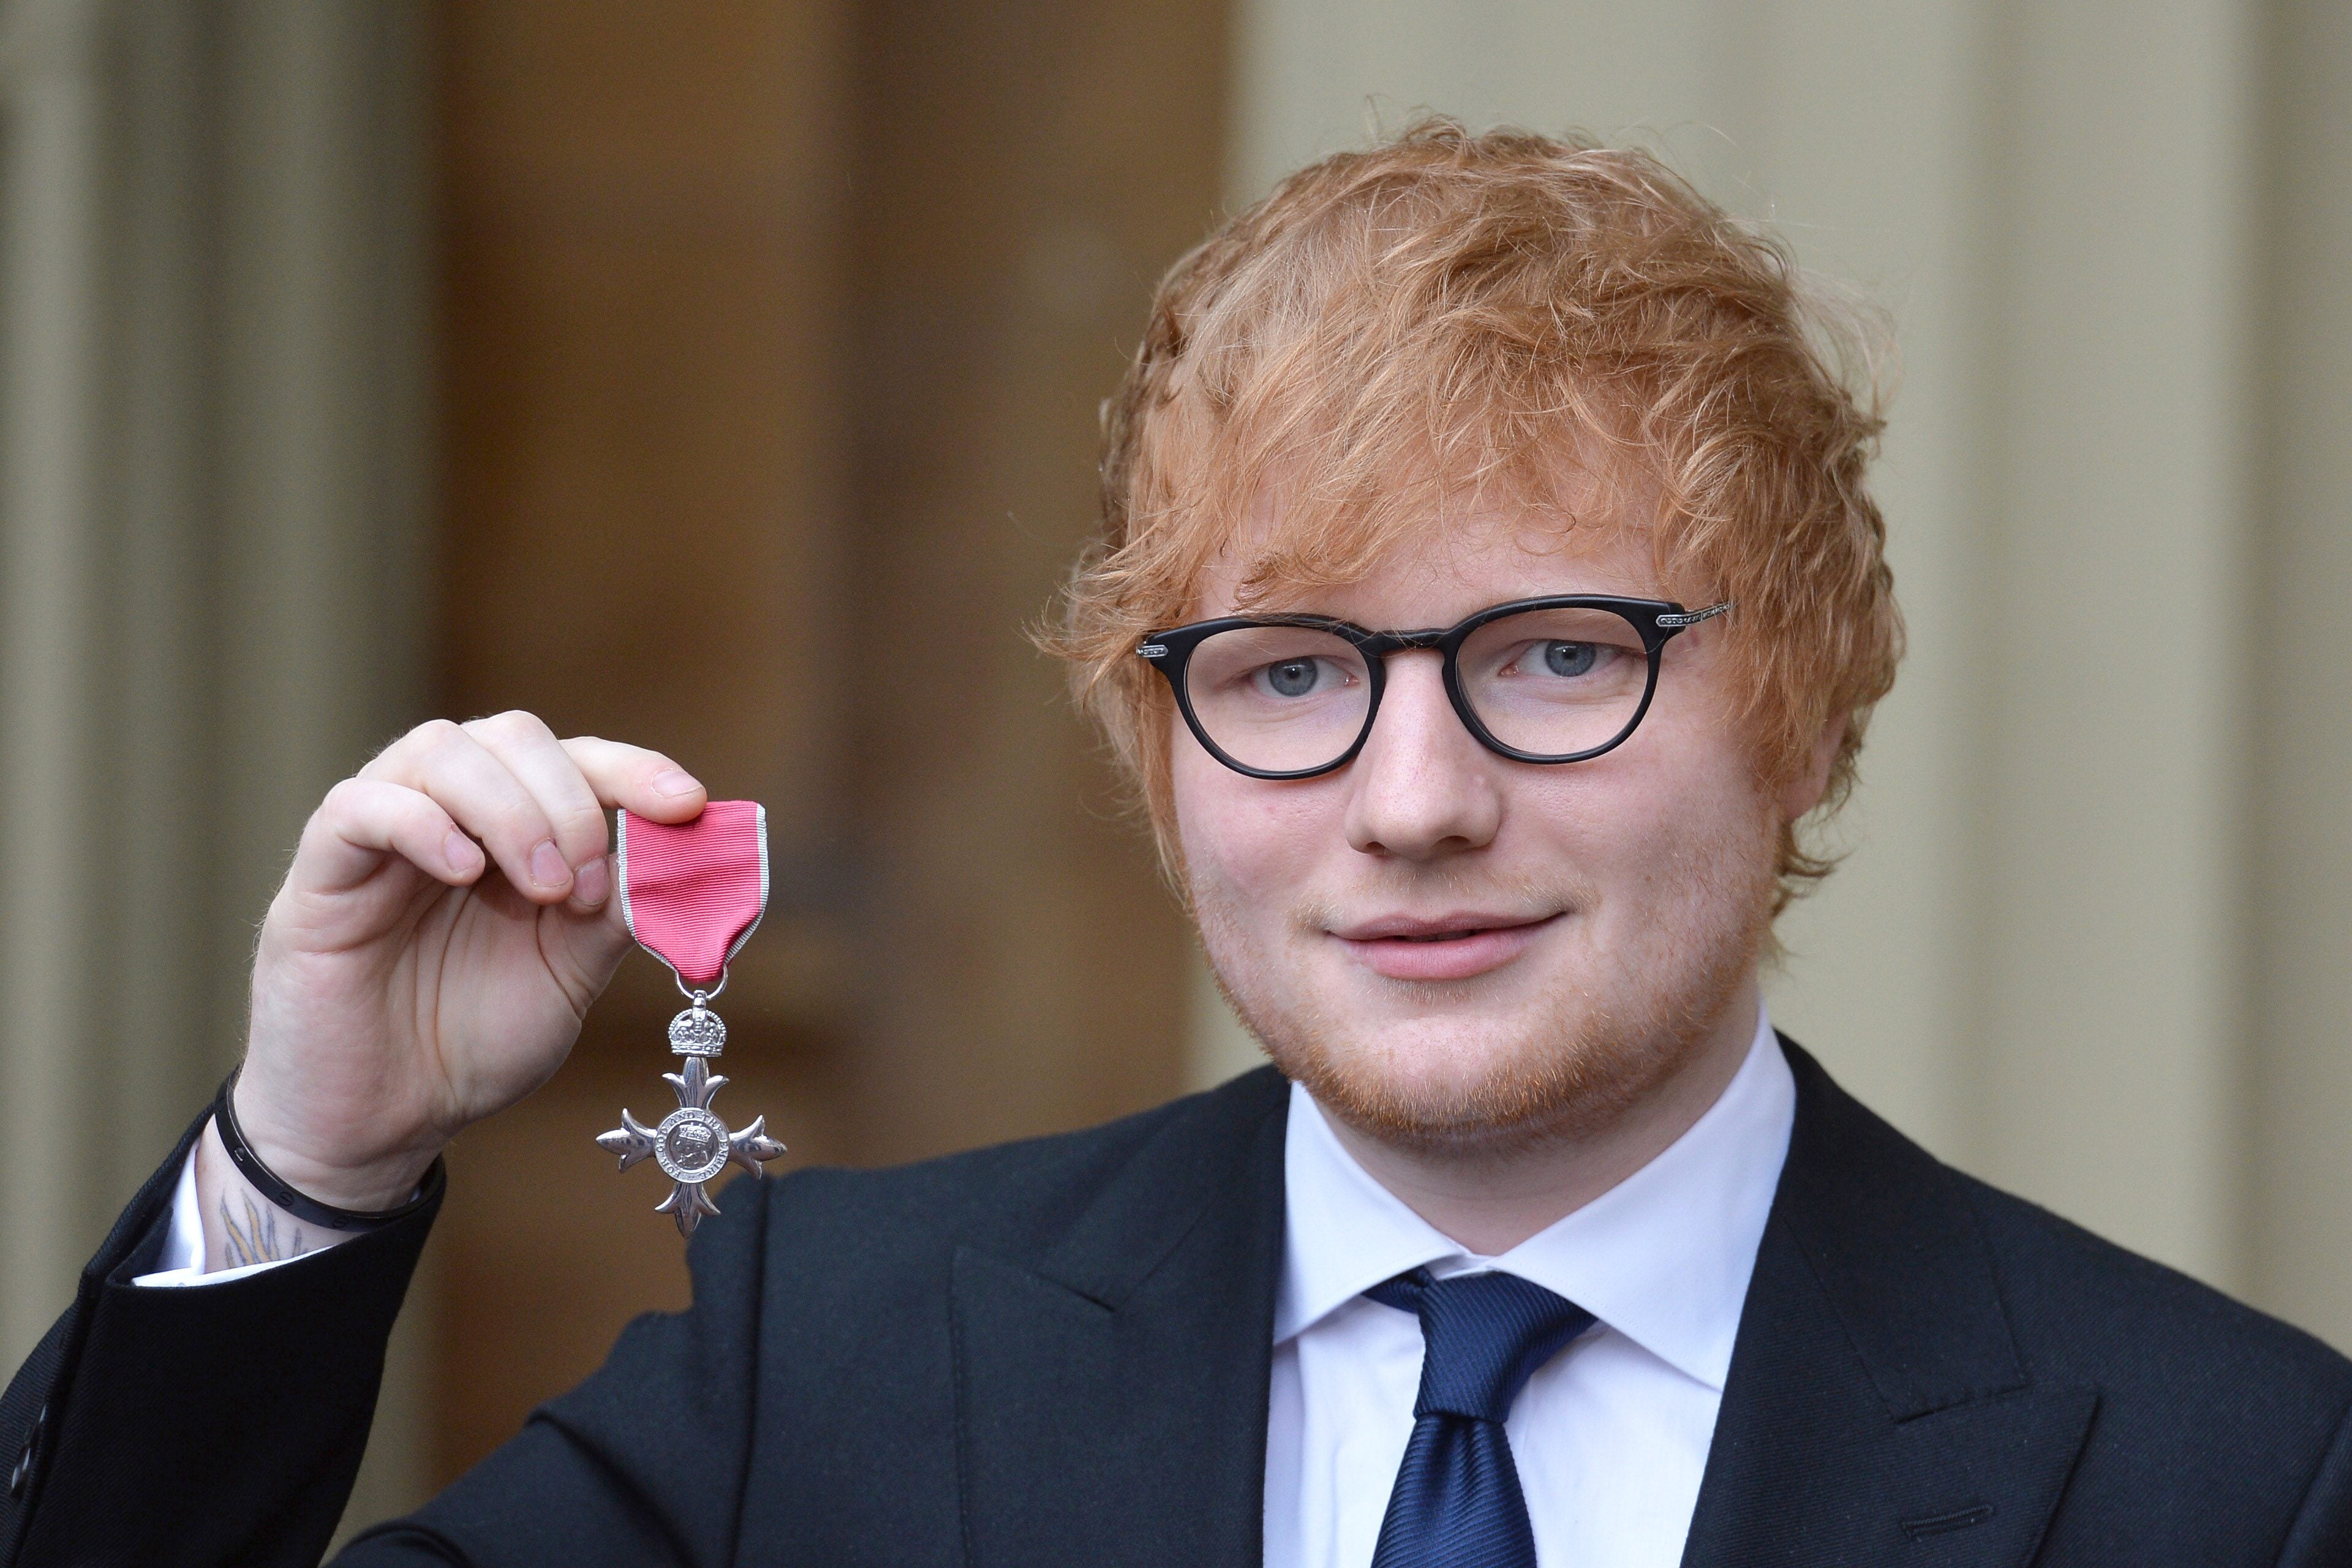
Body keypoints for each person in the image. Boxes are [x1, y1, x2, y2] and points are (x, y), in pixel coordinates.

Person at [2, 121, 2345, 1568]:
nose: (1414, 805)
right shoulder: (842, 1363)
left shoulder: (2229, 1482)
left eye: (1554, 658)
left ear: (1810, 707)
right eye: (1293, 673)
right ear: (1162, 758)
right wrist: (312, 1162)